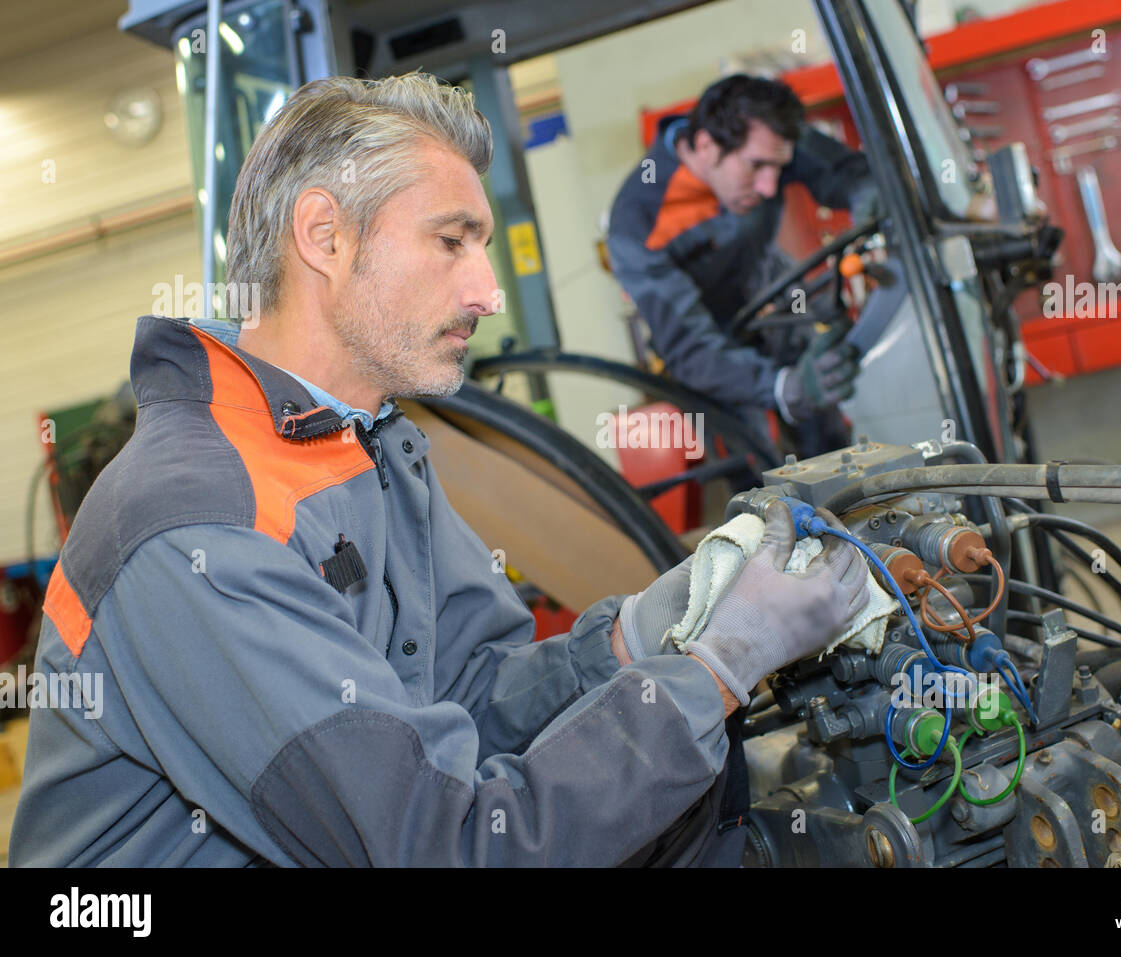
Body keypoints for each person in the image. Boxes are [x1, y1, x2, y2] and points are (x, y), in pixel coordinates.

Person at [9, 73, 869, 867]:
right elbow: (438, 842)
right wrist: (710, 675)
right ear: (324, 236)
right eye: (451, 241)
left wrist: (632, 637)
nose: (489, 291)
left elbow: (465, 695)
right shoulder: (200, 522)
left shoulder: (369, 445)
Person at [607, 74, 897, 459]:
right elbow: (688, 344)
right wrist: (782, 387)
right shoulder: (637, 220)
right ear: (707, 146)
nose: (768, 187)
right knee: (752, 471)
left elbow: (848, 173)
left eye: (779, 168)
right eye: (756, 167)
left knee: (830, 446)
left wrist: (869, 194)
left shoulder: (767, 138)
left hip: (777, 302)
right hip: (707, 347)